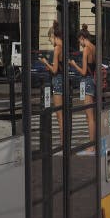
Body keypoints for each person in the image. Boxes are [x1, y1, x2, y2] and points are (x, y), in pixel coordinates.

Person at [69, 26, 96, 154]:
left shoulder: (86, 49)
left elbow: (84, 71)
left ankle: (92, 145)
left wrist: (74, 65)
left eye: (79, 41)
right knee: (91, 116)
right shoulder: (94, 47)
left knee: (89, 116)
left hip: (87, 82)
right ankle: (93, 143)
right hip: (92, 81)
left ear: (82, 38)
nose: (80, 44)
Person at [39, 21, 64, 147]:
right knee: (65, 115)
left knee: (60, 116)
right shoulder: (64, 46)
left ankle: (62, 143)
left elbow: (54, 70)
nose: (50, 42)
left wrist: (44, 62)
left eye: (50, 39)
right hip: (63, 80)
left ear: (53, 36)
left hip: (58, 81)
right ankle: (65, 142)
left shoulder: (57, 48)